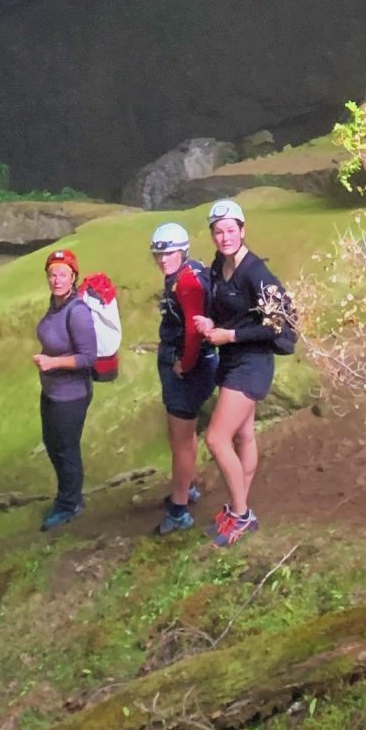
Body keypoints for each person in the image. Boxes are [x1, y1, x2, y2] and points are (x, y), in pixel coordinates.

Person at [190, 197, 285, 546]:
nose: (225, 237)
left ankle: (243, 515)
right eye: (218, 232)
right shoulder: (219, 265)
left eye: (231, 230)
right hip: (232, 360)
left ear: (243, 231)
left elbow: (278, 327)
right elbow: (228, 310)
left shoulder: (256, 273)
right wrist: (211, 322)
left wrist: (228, 335)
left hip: (252, 364)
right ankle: (236, 509)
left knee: (216, 438)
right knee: (243, 436)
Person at [149, 221, 216, 535]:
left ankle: (179, 510)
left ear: (182, 251)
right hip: (195, 361)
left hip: (187, 364)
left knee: (180, 441)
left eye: (169, 253)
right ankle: (184, 487)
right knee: (185, 436)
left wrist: (186, 365)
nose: (163, 259)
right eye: (158, 254)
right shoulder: (191, 272)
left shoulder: (186, 282)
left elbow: (193, 330)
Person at [33, 246, 97, 531]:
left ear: (74, 277)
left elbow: (87, 358)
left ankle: (71, 503)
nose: (57, 279)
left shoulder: (77, 312)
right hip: (51, 391)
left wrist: (52, 361)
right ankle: (66, 496)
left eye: (63, 274)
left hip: (71, 395)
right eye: (52, 274)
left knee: (66, 448)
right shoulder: (54, 305)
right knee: (52, 444)